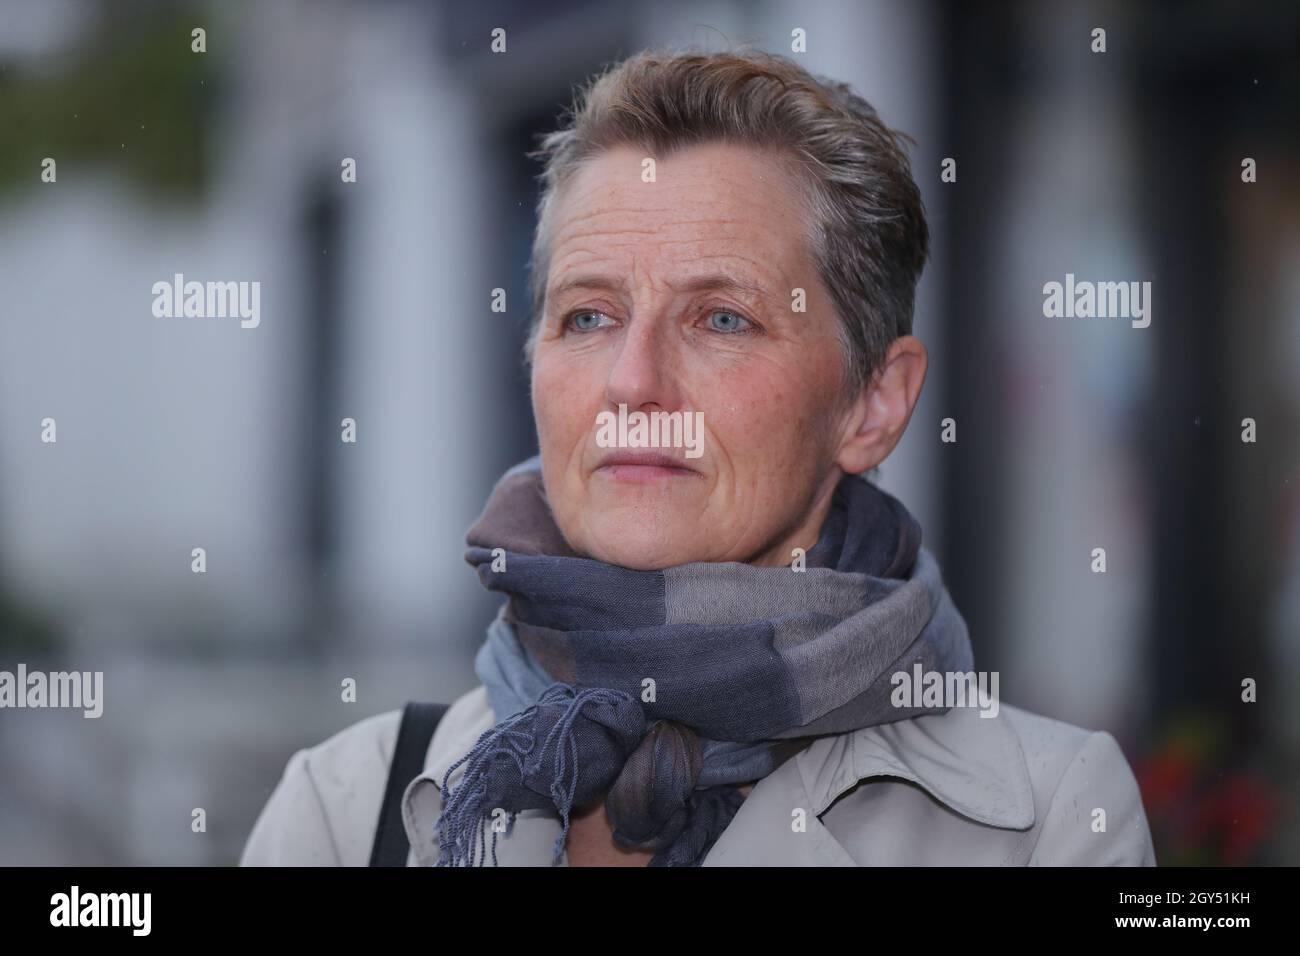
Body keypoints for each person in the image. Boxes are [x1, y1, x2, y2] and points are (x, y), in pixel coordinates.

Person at [240, 47, 1156, 867]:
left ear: (872, 405)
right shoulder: (348, 812)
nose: (633, 384)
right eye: (589, 316)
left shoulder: (1047, 823)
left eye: (723, 319)